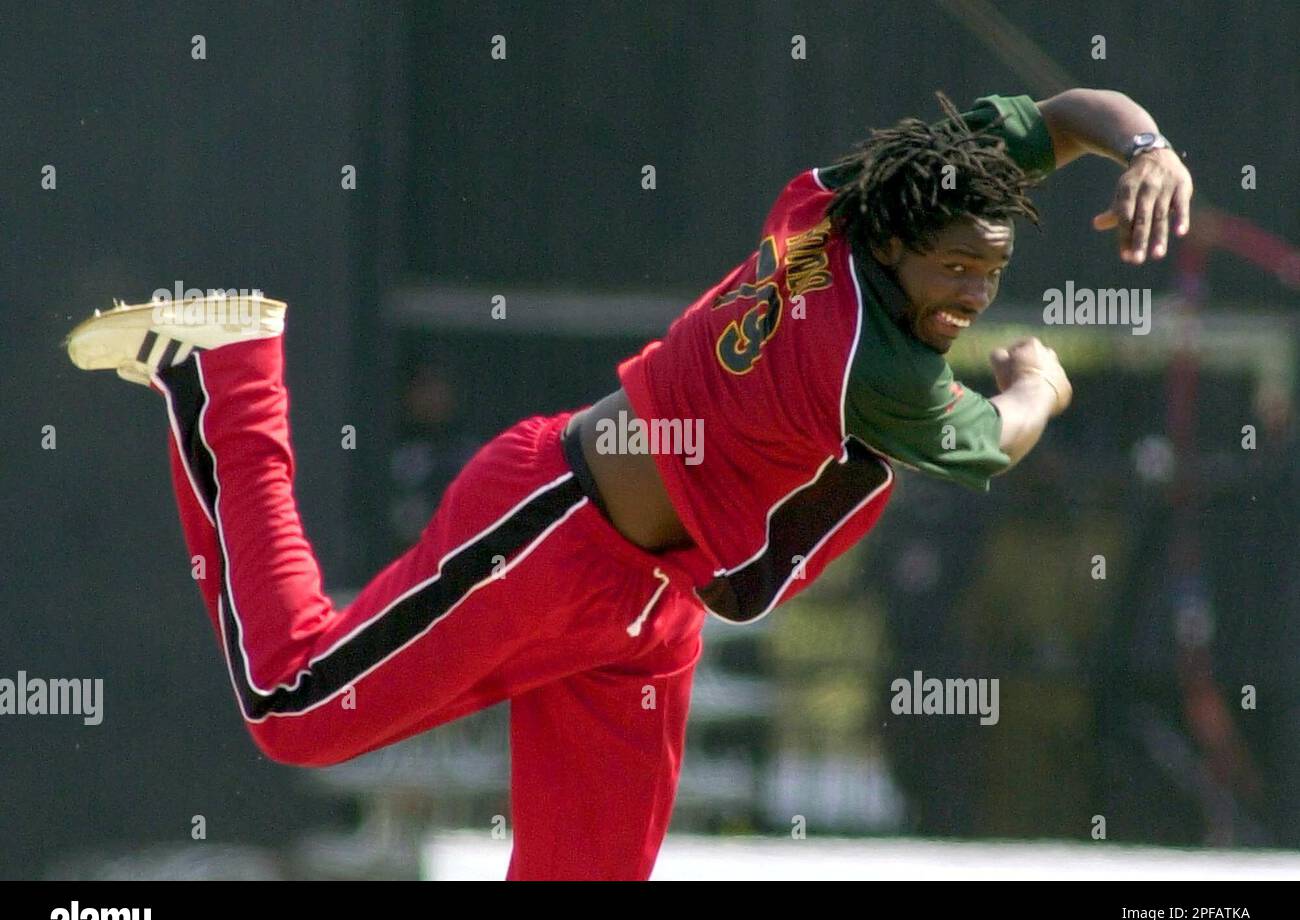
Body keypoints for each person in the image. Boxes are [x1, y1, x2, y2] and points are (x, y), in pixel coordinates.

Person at [64, 87, 1193, 880]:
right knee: (293, 706)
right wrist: (1041, 383)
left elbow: (1056, 117)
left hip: (646, 613)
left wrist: (1141, 142)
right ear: (899, 247)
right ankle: (228, 373)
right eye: (956, 269)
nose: (972, 294)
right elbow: (993, 441)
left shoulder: (847, 200)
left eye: (990, 272)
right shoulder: (872, 364)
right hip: (551, 532)